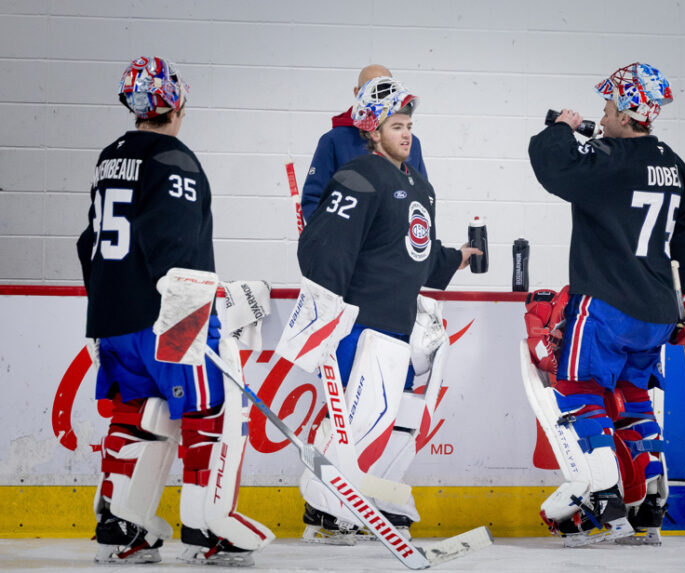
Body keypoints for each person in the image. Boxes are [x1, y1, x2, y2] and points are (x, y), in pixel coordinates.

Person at [76, 56, 274, 565]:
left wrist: (107, 307)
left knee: (139, 415)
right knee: (214, 409)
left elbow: (88, 243)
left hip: (112, 322)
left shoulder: (109, 157)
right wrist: (210, 312)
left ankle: (124, 527)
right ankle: (211, 528)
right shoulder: (174, 159)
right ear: (176, 102)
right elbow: (176, 251)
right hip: (165, 321)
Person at [284, 76, 480, 543]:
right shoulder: (357, 176)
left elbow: (418, 253)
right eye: (397, 125)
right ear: (373, 131)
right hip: (359, 324)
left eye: (409, 124)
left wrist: (455, 257)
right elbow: (323, 251)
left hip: (397, 325)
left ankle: (341, 504)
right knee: (349, 422)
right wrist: (327, 316)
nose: (407, 133)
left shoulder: (418, 186)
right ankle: (324, 507)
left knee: (376, 424)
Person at [526, 62, 685, 547]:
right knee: (633, 400)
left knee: (579, 392)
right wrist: (673, 300)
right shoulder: (676, 166)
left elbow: (551, 165)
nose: (602, 116)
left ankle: (605, 505)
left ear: (627, 113)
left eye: (608, 107)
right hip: (654, 315)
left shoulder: (610, 158)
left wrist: (561, 126)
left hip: (606, 305)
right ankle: (651, 506)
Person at [300, 64, 427, 223]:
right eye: (372, 89)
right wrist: (327, 239)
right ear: (357, 92)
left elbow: (422, 197)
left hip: (396, 244)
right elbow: (313, 199)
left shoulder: (411, 142)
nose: (380, 96)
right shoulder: (333, 141)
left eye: (385, 89)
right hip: (349, 243)